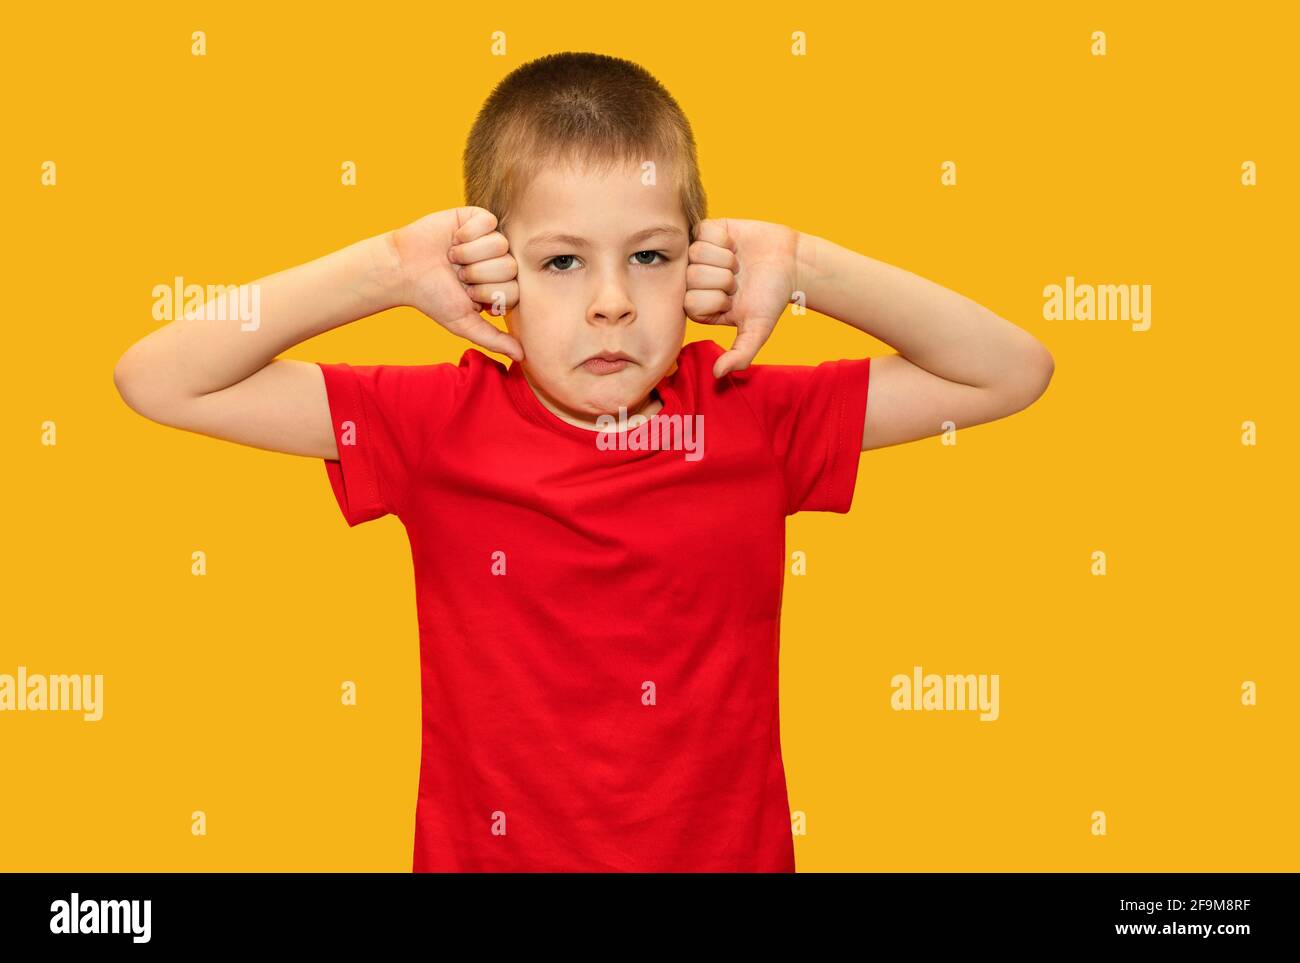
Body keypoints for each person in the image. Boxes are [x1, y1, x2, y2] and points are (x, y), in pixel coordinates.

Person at [113, 51, 1053, 872]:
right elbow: (161, 380)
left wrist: (804, 265)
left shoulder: (746, 409)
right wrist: (388, 271)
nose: (612, 301)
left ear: (699, 263)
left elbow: (1010, 371)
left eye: (650, 256)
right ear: (490, 275)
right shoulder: (433, 422)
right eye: (562, 263)